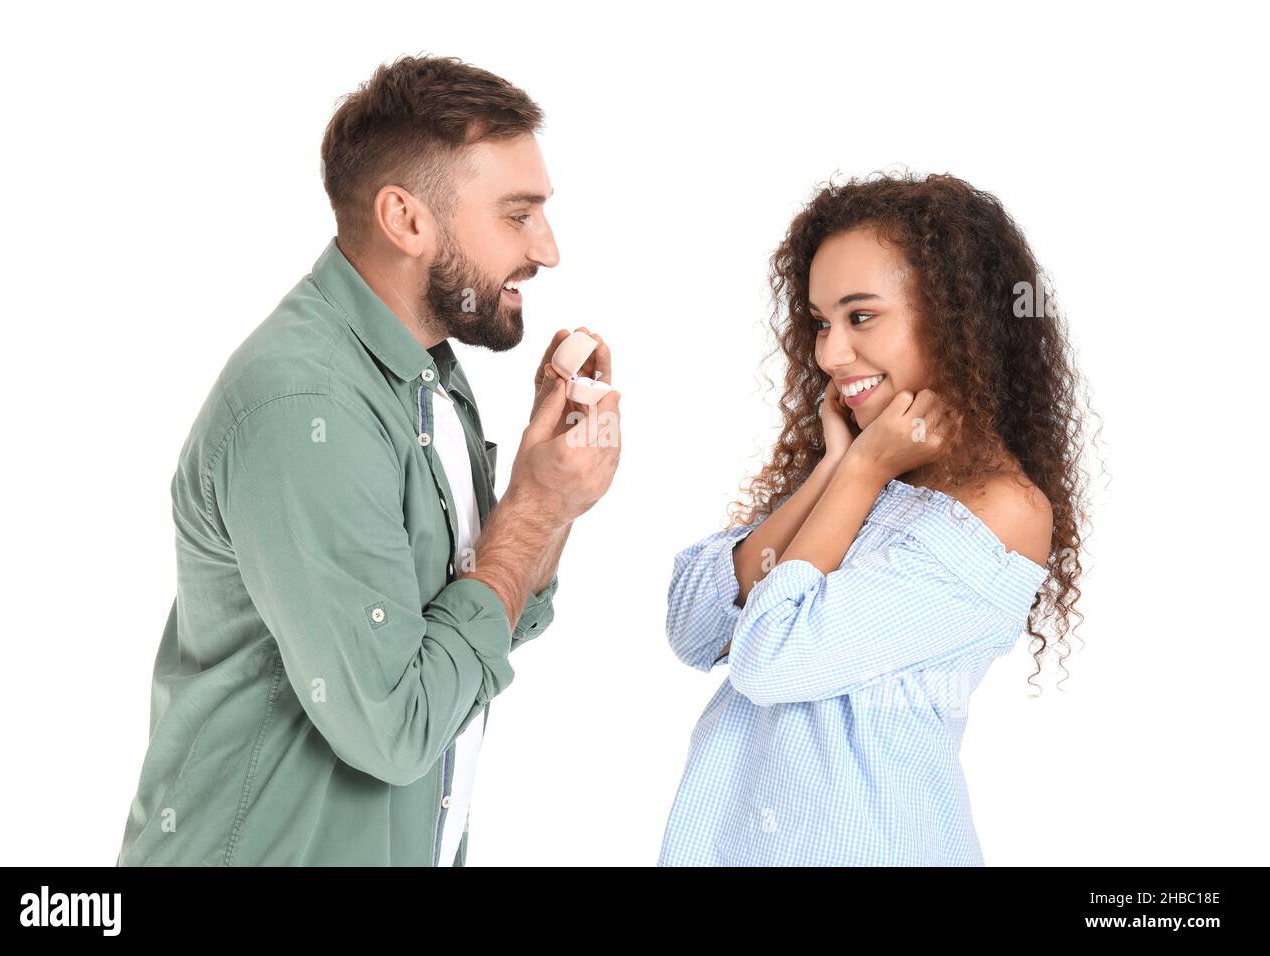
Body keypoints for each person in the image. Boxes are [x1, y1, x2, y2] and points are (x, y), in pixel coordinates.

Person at [116, 55, 621, 866]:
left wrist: (547, 499)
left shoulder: (425, 378)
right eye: (518, 215)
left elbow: (490, 624)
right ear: (407, 220)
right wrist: (530, 510)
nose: (549, 249)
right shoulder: (306, 406)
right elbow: (397, 726)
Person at [659, 171, 1090, 866]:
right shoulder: (866, 479)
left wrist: (860, 472)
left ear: (959, 318)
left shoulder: (1001, 512)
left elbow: (770, 659)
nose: (830, 354)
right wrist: (837, 470)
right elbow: (696, 627)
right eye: (822, 323)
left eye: (861, 317)